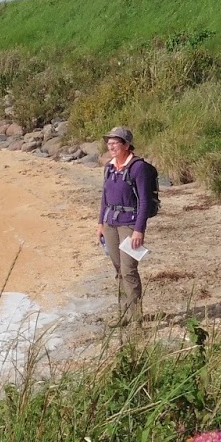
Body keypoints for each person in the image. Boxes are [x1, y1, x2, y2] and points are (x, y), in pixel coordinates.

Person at [97, 126, 151, 323]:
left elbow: (144, 201)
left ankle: (136, 318)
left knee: (129, 270)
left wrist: (139, 230)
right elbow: (104, 197)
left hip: (129, 224)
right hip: (110, 223)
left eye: (115, 142)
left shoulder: (138, 168)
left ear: (126, 145)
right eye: (108, 143)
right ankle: (124, 315)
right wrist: (100, 223)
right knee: (119, 270)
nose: (110, 146)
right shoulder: (109, 166)